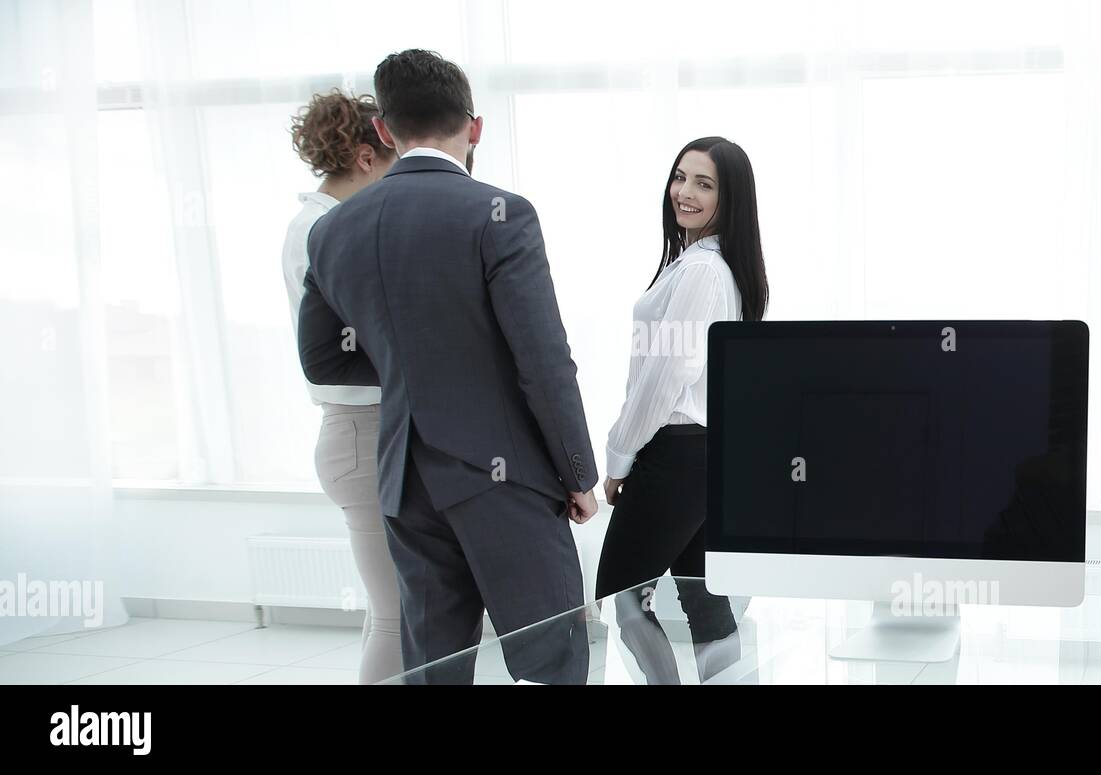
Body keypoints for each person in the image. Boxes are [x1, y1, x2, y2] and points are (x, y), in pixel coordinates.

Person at [297, 50, 599, 685]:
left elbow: (323, 357)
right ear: (475, 127)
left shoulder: (332, 231)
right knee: (553, 660)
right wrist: (578, 473)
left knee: (435, 665)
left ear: (384, 130)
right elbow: (542, 359)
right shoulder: (501, 213)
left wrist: (414, 371)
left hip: (404, 478)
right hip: (504, 474)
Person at [595, 137, 769, 682]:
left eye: (704, 183)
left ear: (730, 198)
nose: (684, 192)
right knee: (705, 604)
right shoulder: (709, 266)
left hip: (675, 455)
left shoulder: (702, 271)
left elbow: (666, 376)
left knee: (623, 601)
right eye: (680, 177)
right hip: (700, 457)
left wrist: (620, 456)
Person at [282, 90, 400, 684]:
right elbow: (347, 349)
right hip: (361, 433)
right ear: (363, 157)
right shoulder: (325, 230)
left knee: (388, 611)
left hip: (362, 432)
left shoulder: (317, 224)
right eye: (390, 159)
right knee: (396, 615)